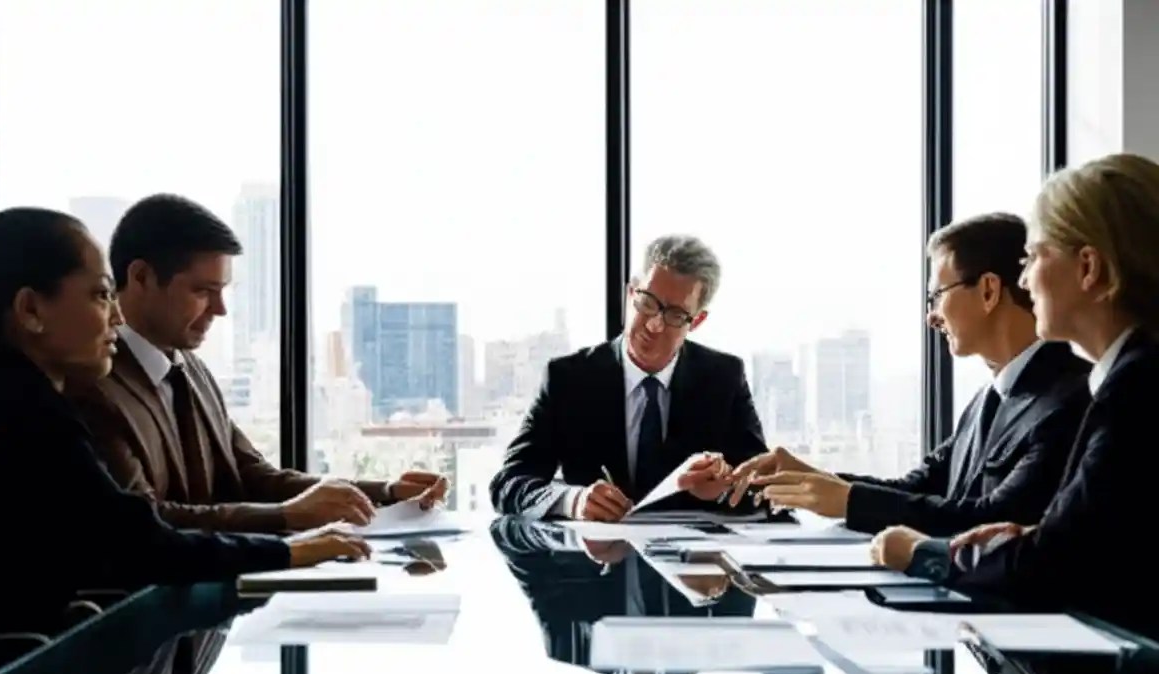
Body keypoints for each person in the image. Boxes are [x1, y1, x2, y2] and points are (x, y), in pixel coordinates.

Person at [0, 208, 369, 637]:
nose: (116, 317)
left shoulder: (3, 403)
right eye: (99, 295)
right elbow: (143, 545)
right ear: (31, 310)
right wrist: (291, 551)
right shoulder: (14, 419)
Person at [872, 153, 1159, 639]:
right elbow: (1093, 544)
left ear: (1088, 267)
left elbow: (1054, 567)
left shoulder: (1135, 390)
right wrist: (1032, 540)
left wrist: (924, 554)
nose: (1023, 280)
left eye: (1033, 258)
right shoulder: (1130, 377)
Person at [67, 194, 446, 534]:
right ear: (141, 277)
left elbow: (252, 477)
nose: (220, 310)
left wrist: (386, 493)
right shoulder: (94, 386)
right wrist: (284, 517)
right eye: (203, 291)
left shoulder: (191, 370)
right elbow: (146, 522)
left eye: (222, 291)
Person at [724, 214, 1090, 536]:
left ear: (989, 290)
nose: (931, 316)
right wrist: (807, 474)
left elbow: (996, 519)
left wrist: (848, 500)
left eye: (937, 296)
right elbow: (917, 489)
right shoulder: (989, 400)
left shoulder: (1071, 400)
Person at [490, 235, 768, 520]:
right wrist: (573, 500)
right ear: (631, 293)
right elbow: (508, 484)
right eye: (648, 302)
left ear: (696, 321)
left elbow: (767, 491)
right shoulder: (568, 379)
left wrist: (723, 489)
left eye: (675, 314)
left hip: (689, 561)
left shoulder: (723, 378)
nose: (654, 325)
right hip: (593, 560)